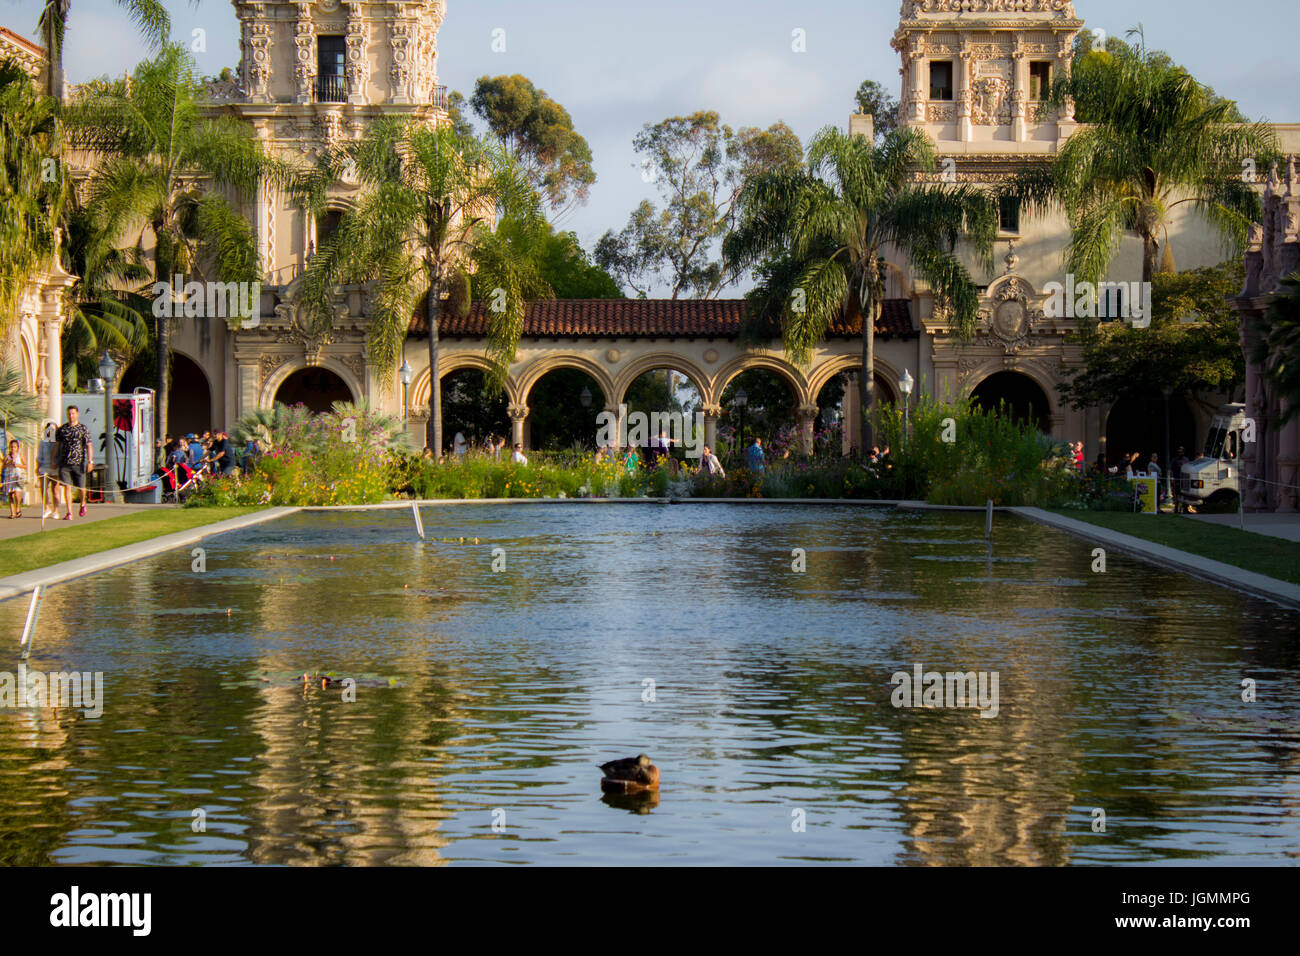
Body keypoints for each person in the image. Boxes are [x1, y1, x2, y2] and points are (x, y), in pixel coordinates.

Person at [56, 405, 93, 520]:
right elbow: (57, 445)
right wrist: (54, 460)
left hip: (79, 462)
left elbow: (89, 445)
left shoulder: (83, 429)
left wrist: (90, 461)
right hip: (65, 463)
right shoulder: (62, 429)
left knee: (82, 488)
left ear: (77, 414)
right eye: (69, 414)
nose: (71, 416)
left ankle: (83, 503)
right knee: (67, 487)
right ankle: (69, 512)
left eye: (73, 414)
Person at [37, 421, 62, 520]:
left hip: (55, 468)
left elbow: (60, 455)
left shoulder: (58, 443)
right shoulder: (43, 442)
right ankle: (46, 508)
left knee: (55, 491)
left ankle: (56, 510)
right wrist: (38, 467)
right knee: (43, 489)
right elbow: (39, 456)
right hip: (44, 467)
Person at [3, 439, 26, 518]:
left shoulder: (20, 456)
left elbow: (25, 466)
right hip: (10, 477)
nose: (13, 449)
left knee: (16, 494)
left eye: (14, 447)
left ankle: (18, 509)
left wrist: (18, 465)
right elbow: (3, 466)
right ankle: (12, 513)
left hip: (17, 476)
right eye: (11, 447)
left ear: (17, 448)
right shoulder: (8, 457)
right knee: (10, 495)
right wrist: (9, 463)